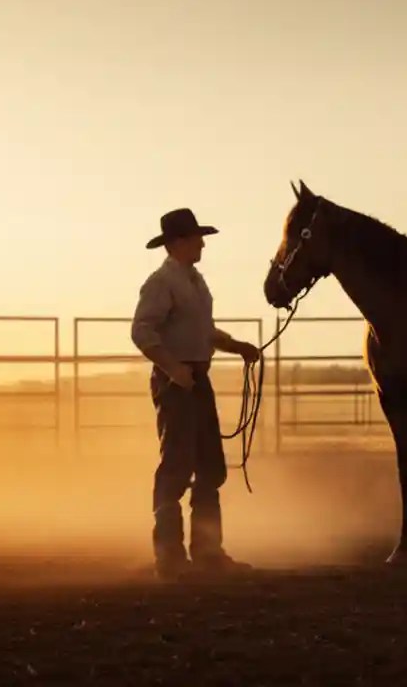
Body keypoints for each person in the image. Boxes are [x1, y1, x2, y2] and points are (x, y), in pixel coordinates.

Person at [130, 207, 260, 580]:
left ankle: (207, 552)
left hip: (194, 378)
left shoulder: (193, 281)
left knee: (208, 465)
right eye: (196, 237)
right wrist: (173, 369)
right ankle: (170, 558)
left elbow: (204, 331)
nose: (203, 242)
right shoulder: (161, 282)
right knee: (176, 465)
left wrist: (236, 346)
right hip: (177, 381)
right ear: (179, 242)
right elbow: (142, 332)